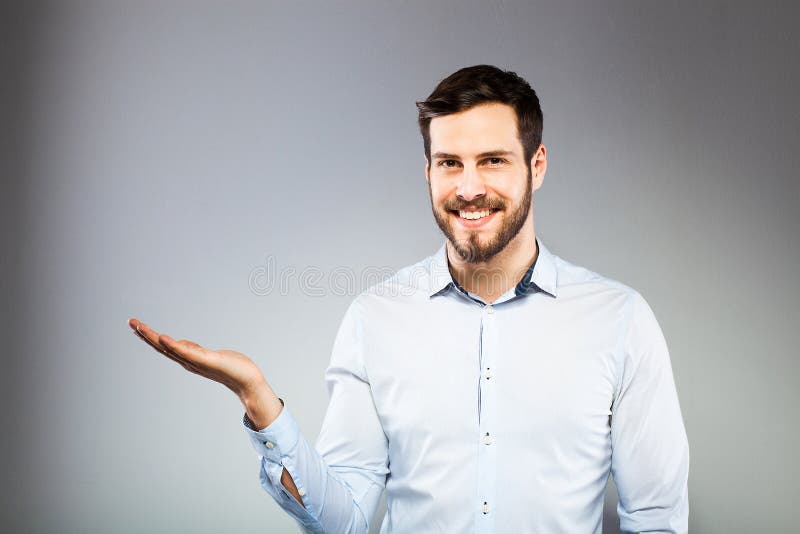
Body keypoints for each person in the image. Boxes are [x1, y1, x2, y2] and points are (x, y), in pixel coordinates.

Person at [129, 64, 689, 533]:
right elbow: (342, 519)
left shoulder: (619, 321)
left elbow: (657, 521)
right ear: (428, 170)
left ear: (536, 165)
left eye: (493, 160)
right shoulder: (375, 320)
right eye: (450, 163)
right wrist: (258, 399)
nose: (469, 188)